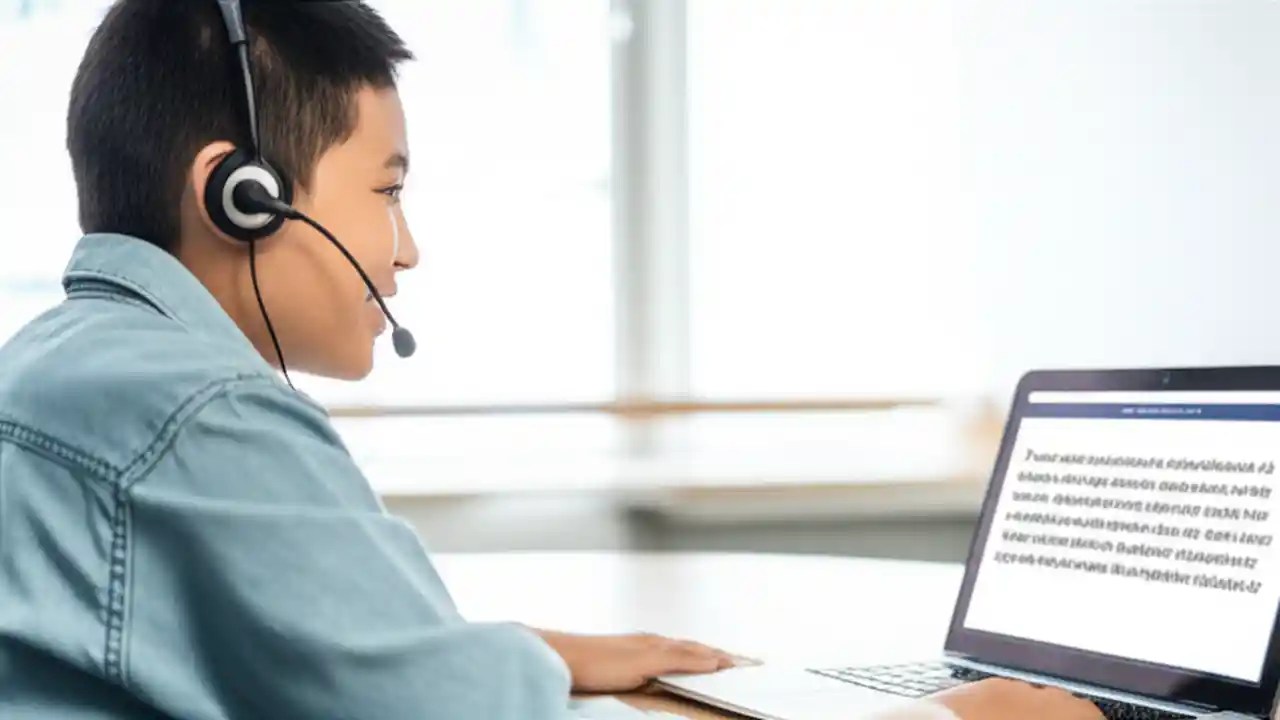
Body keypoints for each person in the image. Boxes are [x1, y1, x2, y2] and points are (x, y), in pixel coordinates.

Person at [0, 2, 1102, 719]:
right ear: (243, 198)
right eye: (386, 191)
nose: (408, 246)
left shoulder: (68, 369)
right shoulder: (208, 415)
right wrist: (945, 719)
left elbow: (293, 659)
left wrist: (512, 653)